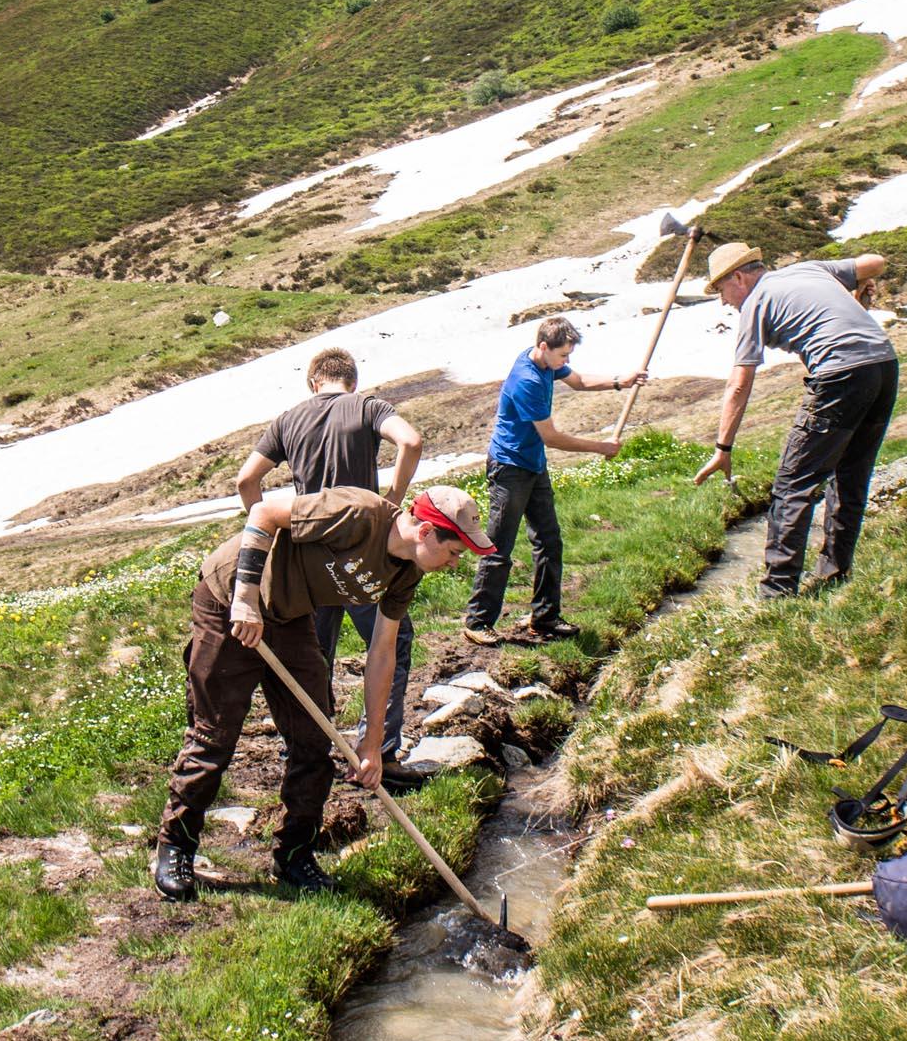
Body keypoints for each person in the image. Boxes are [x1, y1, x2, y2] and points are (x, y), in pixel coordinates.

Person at [154, 484, 494, 902]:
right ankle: (176, 846)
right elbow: (263, 513)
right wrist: (244, 600)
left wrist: (372, 744)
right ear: (425, 531)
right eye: (454, 552)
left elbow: (381, 653)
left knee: (314, 739)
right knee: (215, 736)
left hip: (288, 616)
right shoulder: (357, 514)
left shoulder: (406, 572)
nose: (455, 563)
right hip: (229, 599)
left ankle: (294, 856)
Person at [235, 348, 426, 789]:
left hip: (308, 561)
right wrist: (392, 500)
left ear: (312, 383)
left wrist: (274, 534)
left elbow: (246, 480)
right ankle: (379, 753)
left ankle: (305, 751)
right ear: (353, 382)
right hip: (364, 554)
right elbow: (411, 441)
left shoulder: (288, 420)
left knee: (312, 656)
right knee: (390, 643)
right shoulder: (367, 408)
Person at [692, 243, 896, 598]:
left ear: (738, 277)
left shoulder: (755, 303)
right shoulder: (809, 269)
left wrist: (723, 448)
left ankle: (777, 591)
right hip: (884, 365)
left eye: (721, 290)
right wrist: (856, 292)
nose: (723, 301)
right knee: (851, 475)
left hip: (839, 374)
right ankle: (834, 574)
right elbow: (876, 262)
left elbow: (739, 383)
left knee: (792, 485)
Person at [462, 317, 645, 646]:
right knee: (498, 547)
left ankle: (545, 618)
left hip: (533, 465)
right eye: (563, 355)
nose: (566, 361)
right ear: (544, 347)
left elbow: (579, 381)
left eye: (569, 355)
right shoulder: (527, 379)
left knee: (549, 541)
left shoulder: (547, 363)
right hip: (509, 468)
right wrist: (600, 447)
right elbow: (552, 437)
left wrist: (621, 381)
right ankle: (478, 621)